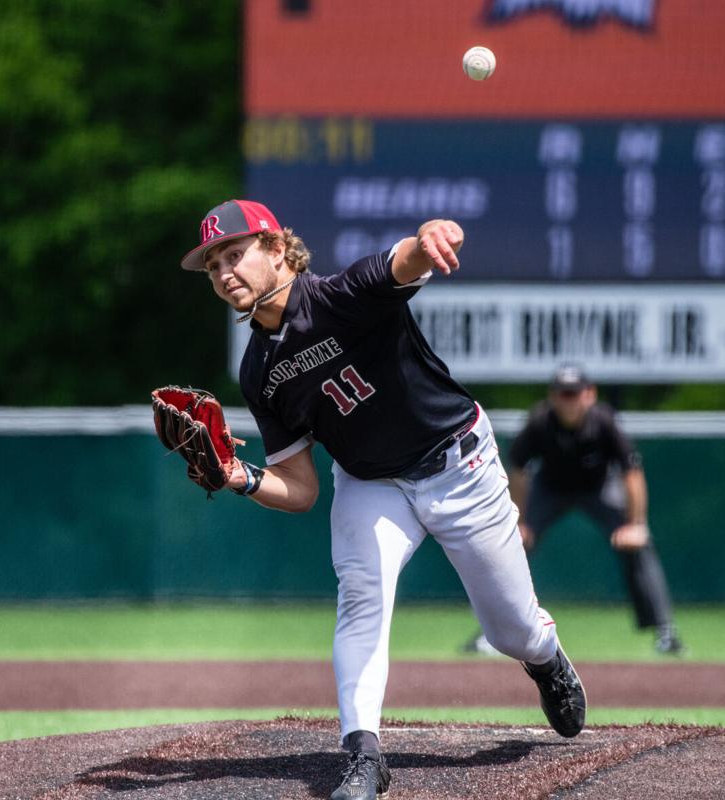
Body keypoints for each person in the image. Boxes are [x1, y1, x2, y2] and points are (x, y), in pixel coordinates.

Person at [179, 199, 586, 800]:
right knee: (361, 598)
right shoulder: (258, 370)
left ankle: (546, 658)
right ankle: (364, 753)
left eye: (234, 255)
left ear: (275, 248)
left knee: (511, 631)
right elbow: (300, 490)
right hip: (371, 483)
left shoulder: (343, 294)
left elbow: (402, 262)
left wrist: (428, 236)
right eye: (213, 266)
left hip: (458, 464)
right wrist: (240, 476)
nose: (224, 274)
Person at [468, 364, 683, 657]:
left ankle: (665, 631)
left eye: (574, 393)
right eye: (562, 393)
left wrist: (636, 523)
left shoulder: (604, 421)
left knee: (639, 544)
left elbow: (631, 473)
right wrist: (518, 521)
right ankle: (493, 632)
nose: (568, 400)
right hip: (550, 489)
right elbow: (518, 472)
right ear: (552, 396)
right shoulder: (540, 421)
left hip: (599, 488)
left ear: (589, 394)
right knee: (511, 544)